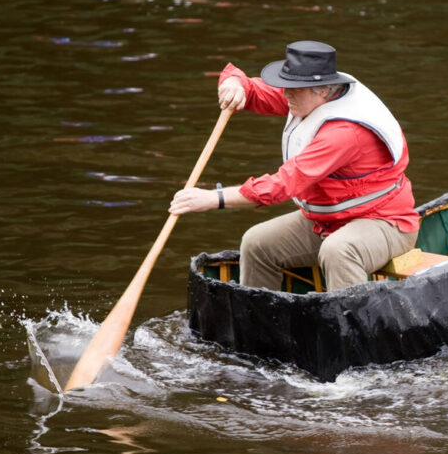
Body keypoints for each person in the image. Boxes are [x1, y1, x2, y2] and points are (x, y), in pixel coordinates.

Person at [169, 40, 419, 291]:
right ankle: (259, 324)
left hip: (385, 222)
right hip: (327, 220)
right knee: (256, 243)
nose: (285, 93)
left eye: (294, 88)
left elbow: (284, 183)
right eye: (285, 85)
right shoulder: (307, 97)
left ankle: (348, 328)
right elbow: (253, 90)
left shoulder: (344, 133)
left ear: (321, 90)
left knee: (339, 249)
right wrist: (234, 84)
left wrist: (215, 198)